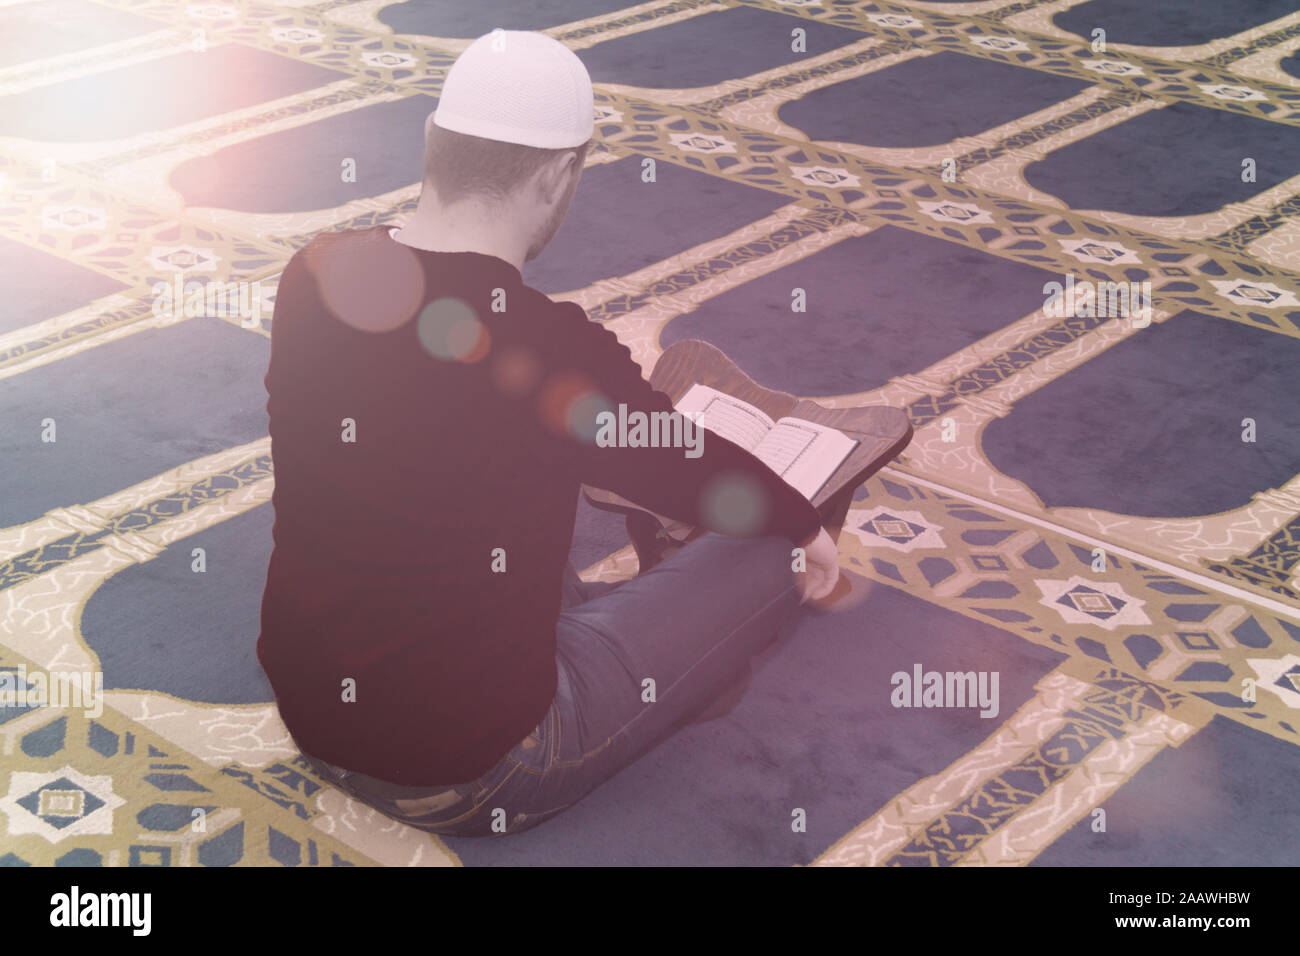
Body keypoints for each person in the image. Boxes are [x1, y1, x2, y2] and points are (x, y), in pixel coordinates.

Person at [256, 29, 843, 837]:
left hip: (315, 715)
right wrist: (805, 523)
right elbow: (702, 476)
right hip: (481, 766)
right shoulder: (550, 348)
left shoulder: (313, 271)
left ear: (431, 139)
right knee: (770, 543)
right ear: (564, 173)